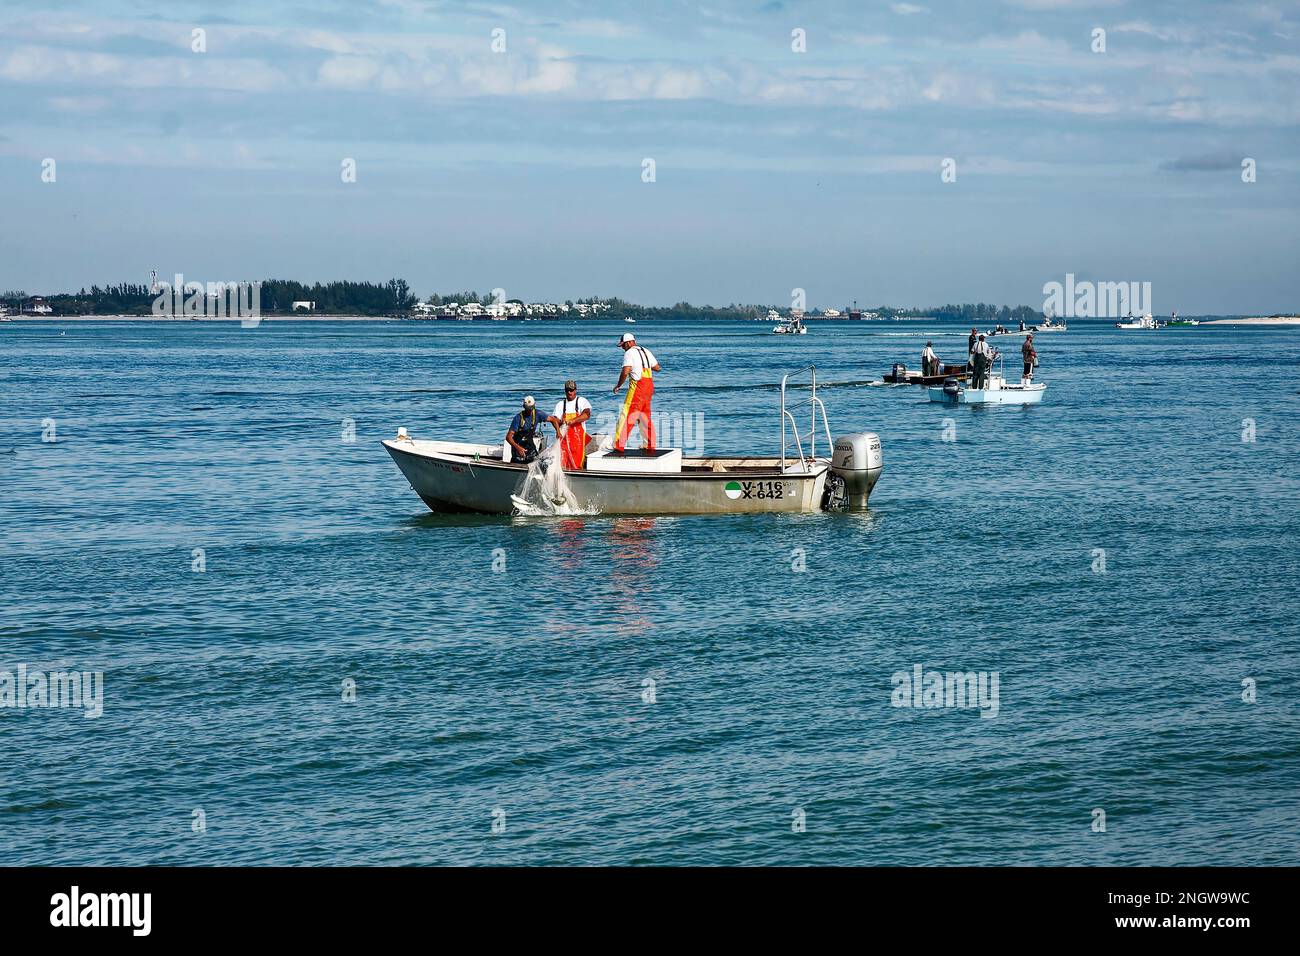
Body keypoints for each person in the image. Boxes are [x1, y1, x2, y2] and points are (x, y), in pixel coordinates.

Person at [613, 332, 660, 455]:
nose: (622, 348)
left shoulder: (629, 353)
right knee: (644, 417)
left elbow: (625, 371)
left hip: (637, 388)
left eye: (623, 345)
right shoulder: (645, 351)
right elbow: (657, 368)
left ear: (629, 343)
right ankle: (650, 444)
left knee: (627, 414)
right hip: (649, 387)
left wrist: (618, 385)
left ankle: (619, 444)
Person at [505, 395, 560, 464]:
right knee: (518, 463)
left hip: (530, 445)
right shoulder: (518, 418)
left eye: (531, 408)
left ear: (534, 405)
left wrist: (558, 431)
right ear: (524, 407)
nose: (530, 410)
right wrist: (518, 448)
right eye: (528, 408)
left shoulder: (538, 414)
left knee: (538, 462)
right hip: (518, 447)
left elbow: (553, 420)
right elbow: (508, 437)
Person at [553, 379, 592, 470]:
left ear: (575, 390)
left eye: (572, 390)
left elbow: (587, 415)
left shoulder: (582, 401)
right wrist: (560, 423)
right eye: (568, 390)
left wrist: (573, 420)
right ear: (565, 391)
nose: (570, 392)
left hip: (578, 441)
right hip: (564, 440)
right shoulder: (560, 404)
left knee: (577, 464)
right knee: (563, 463)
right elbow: (555, 420)